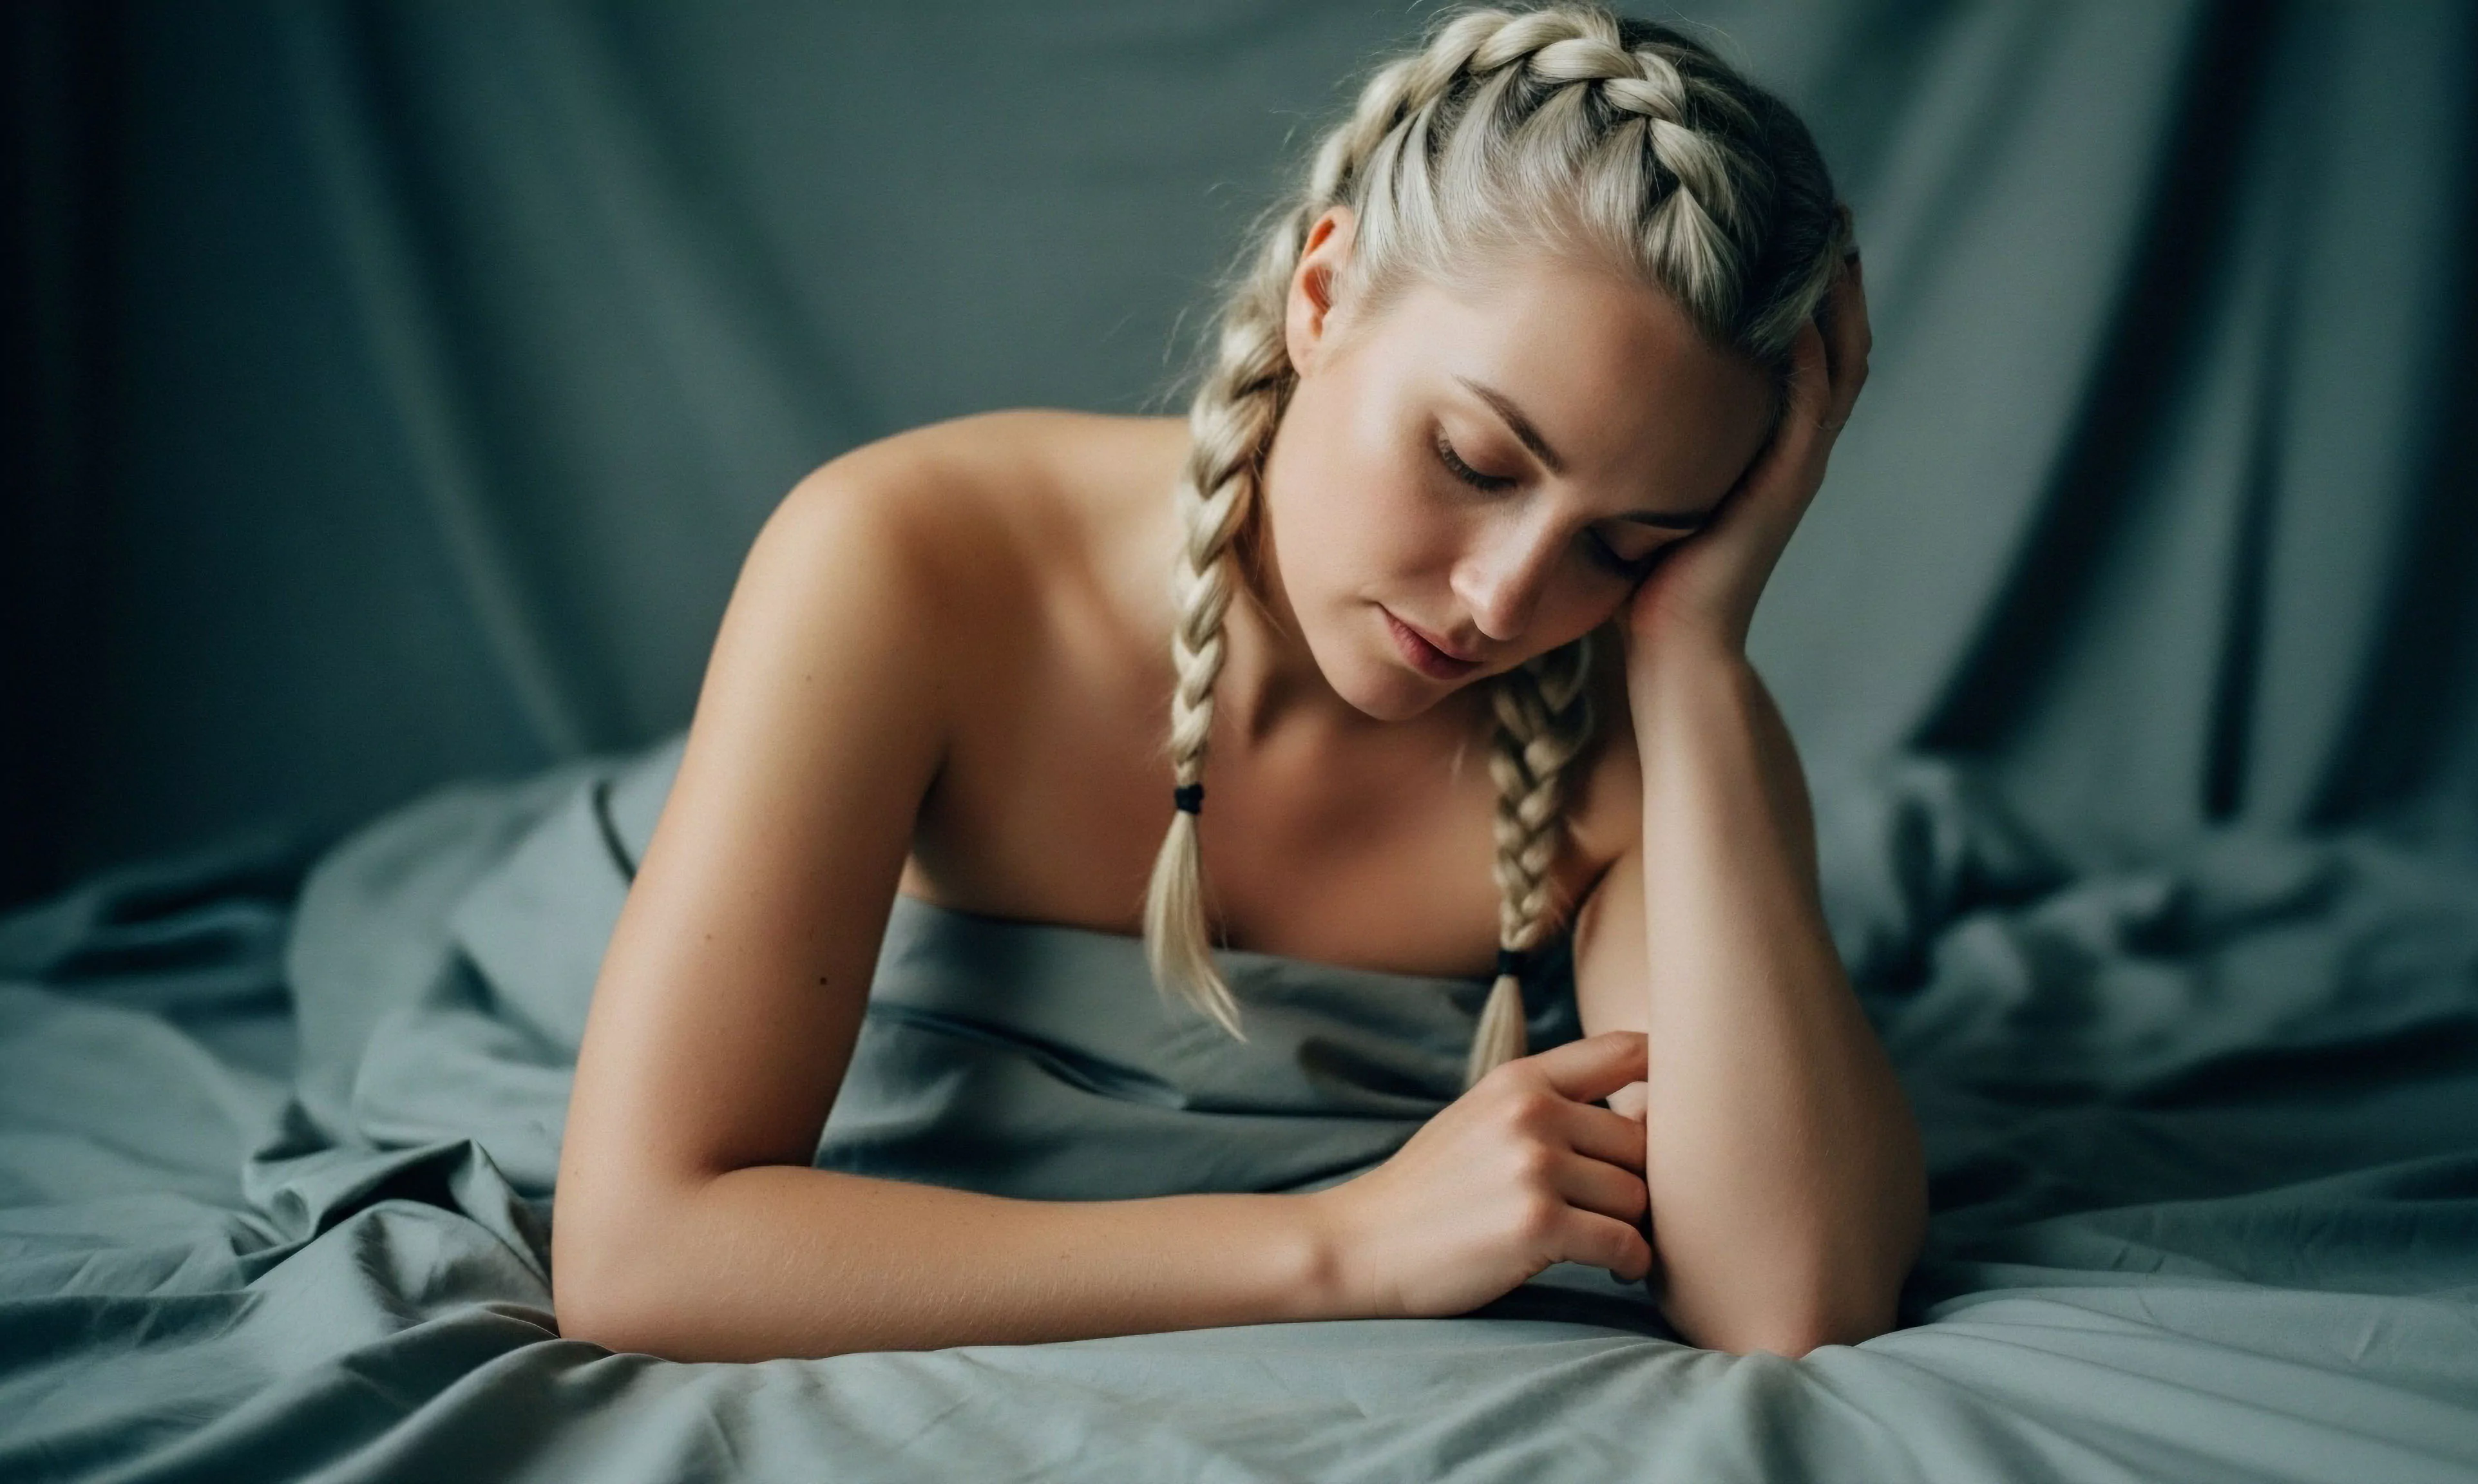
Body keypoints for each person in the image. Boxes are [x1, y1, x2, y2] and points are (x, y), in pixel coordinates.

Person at [552, 1, 1924, 1363]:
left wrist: (1692, 652)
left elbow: (1784, 1301)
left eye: (1626, 544)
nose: (1509, 601)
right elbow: (640, 1257)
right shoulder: (903, 564)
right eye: (1473, 462)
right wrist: (1351, 1243)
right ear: (1320, 293)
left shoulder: (1633, 715)